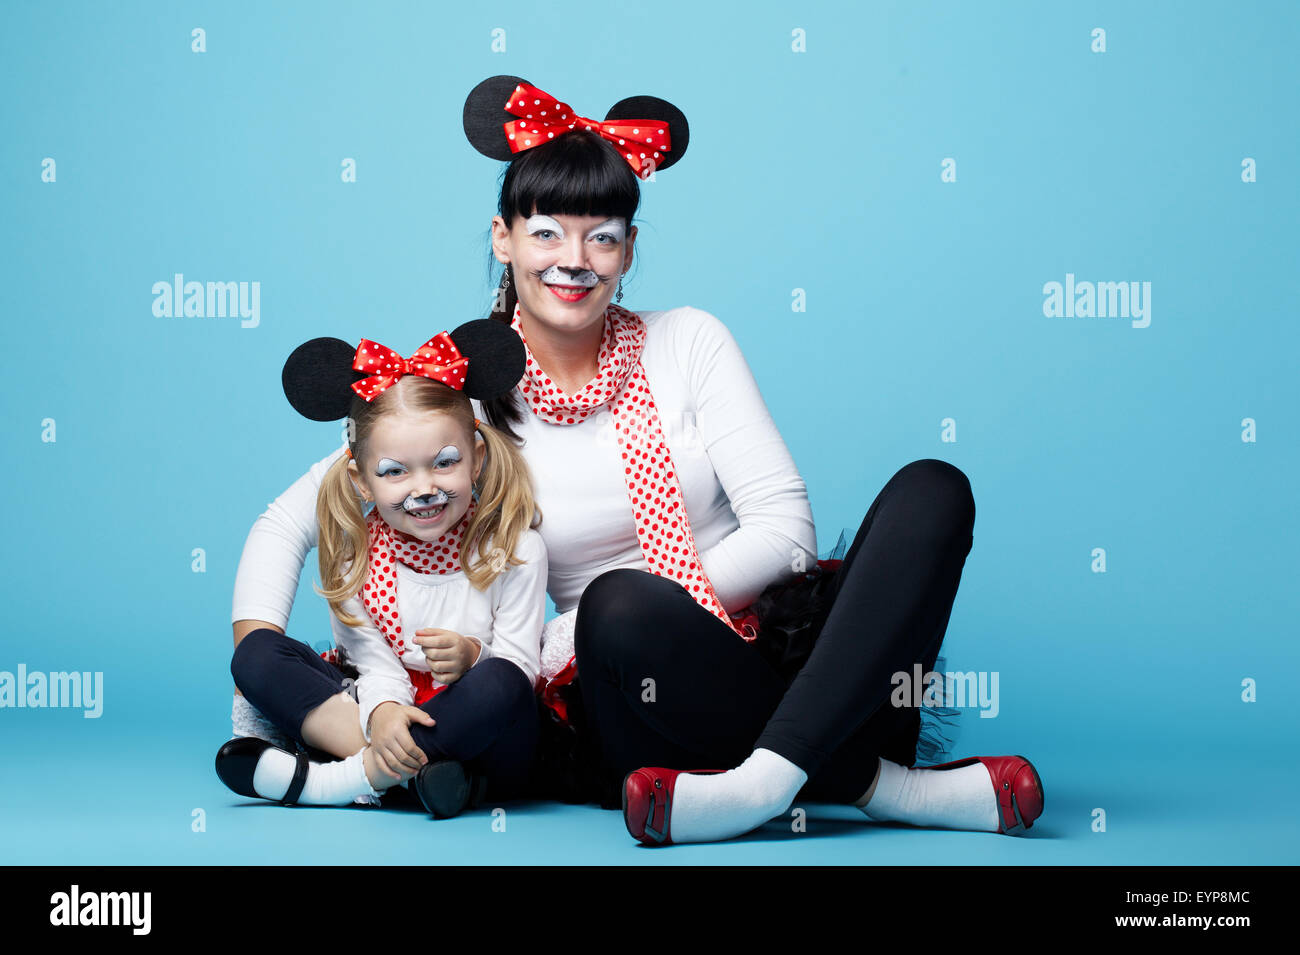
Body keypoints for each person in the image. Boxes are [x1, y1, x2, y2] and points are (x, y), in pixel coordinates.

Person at [230, 75, 1045, 845]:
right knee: (620, 602)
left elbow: (787, 532)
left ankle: (766, 782)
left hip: (797, 665)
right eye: (546, 232)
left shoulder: (690, 339)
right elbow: (288, 515)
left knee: (934, 489)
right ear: (503, 239)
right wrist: (257, 645)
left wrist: (677, 600)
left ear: (627, 249)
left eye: (602, 237)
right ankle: (889, 788)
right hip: (639, 694)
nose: (573, 259)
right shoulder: (466, 396)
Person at [218, 321, 546, 819]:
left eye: (444, 463)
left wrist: (473, 656)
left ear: (477, 458)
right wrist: (386, 711)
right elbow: (375, 666)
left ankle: (343, 779)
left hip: (489, 735)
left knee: (501, 684)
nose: (424, 489)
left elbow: (522, 665)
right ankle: (428, 781)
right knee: (257, 655)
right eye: (394, 471)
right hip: (395, 722)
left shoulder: (516, 548)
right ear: (361, 481)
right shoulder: (359, 562)